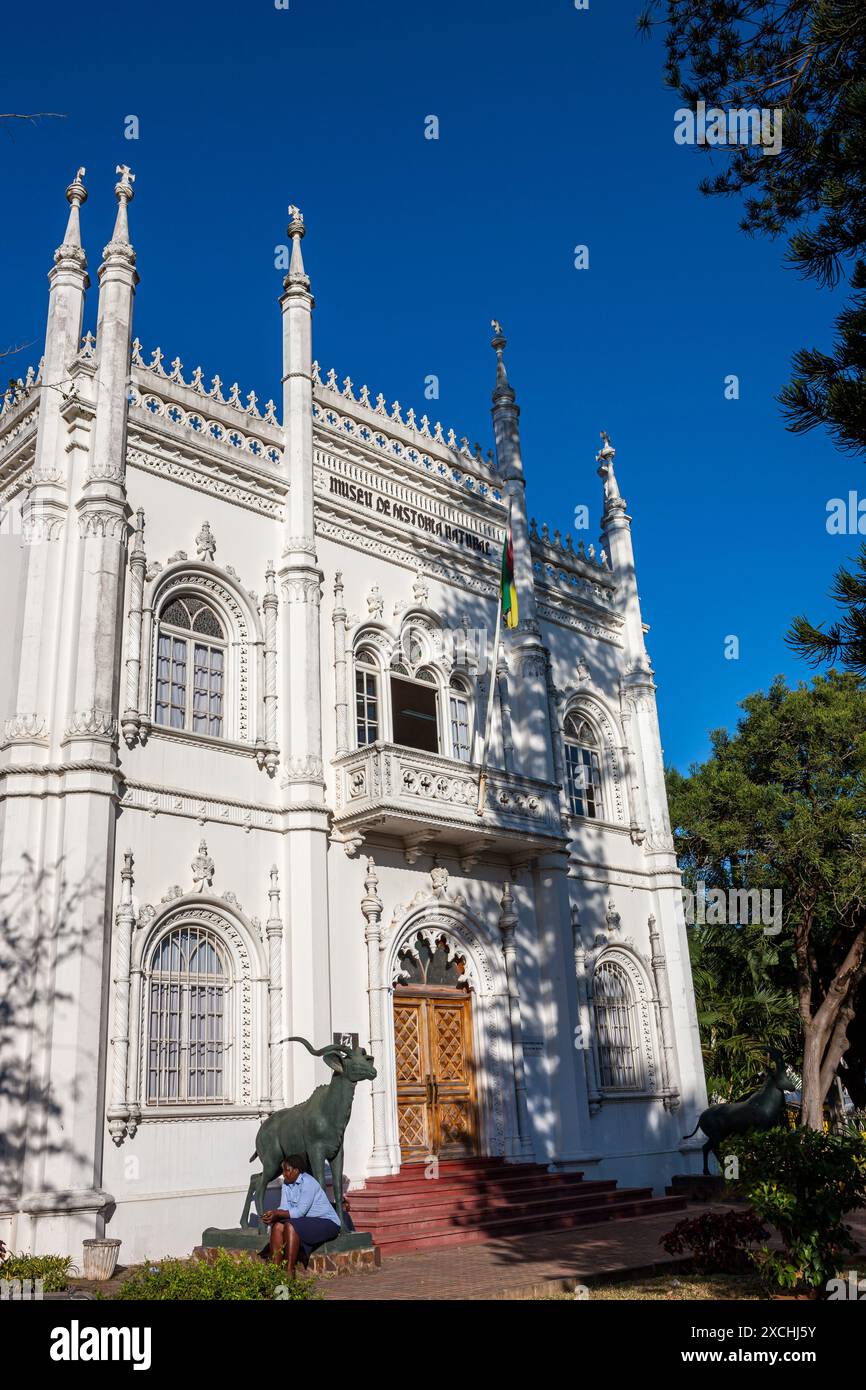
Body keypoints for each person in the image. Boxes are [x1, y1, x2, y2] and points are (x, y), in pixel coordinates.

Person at [260, 1156, 341, 1275]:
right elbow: (283, 1208)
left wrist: (277, 1213)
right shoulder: (286, 1184)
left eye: (286, 1170)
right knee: (277, 1226)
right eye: (283, 1170)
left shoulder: (308, 1183)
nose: (283, 1174)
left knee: (290, 1226)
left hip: (327, 1222)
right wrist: (273, 1215)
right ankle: (275, 1271)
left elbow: (299, 1212)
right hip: (305, 1221)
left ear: (296, 1170)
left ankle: (289, 1270)